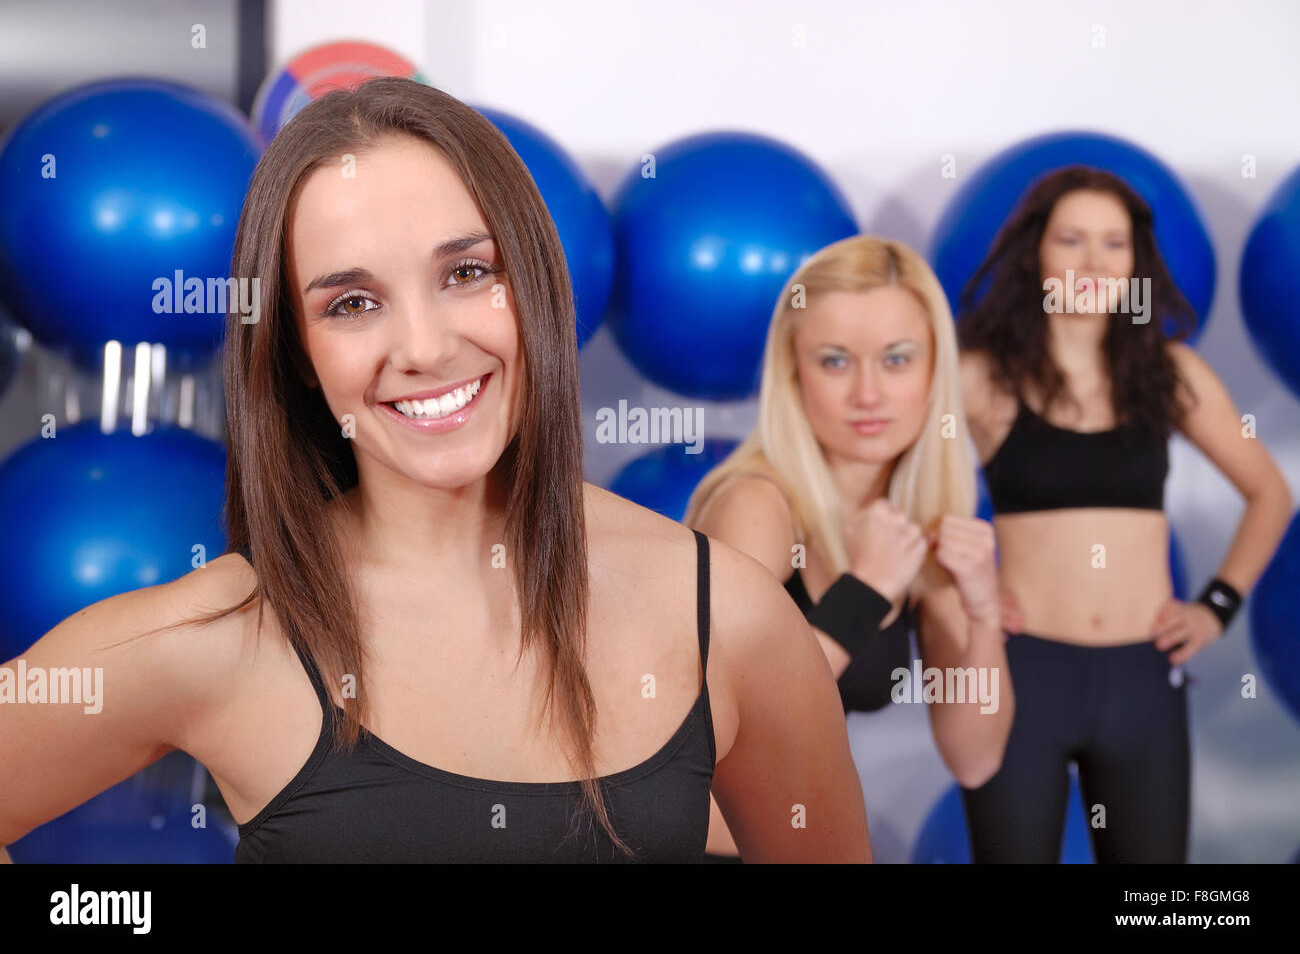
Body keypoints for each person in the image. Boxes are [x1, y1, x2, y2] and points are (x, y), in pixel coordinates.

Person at [0, 78, 872, 863]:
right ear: (299, 354)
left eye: (466, 272)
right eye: (352, 303)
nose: (423, 347)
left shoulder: (727, 614)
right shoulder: (215, 640)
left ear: (531, 283)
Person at [956, 166, 1293, 862]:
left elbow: (1271, 493)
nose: (1091, 261)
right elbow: (907, 498)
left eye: (1113, 243)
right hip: (1022, 677)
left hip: (1142, 679)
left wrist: (1216, 607)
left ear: (1135, 261)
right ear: (1036, 253)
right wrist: (967, 600)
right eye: (1071, 239)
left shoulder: (1173, 375)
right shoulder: (982, 377)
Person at [684, 235, 1015, 860]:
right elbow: (704, 739)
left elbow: (975, 756)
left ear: (933, 370)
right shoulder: (759, 504)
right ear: (793, 373)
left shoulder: (917, 522)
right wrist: (861, 595)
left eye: (896, 360)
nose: (868, 394)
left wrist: (984, 612)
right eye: (835, 361)